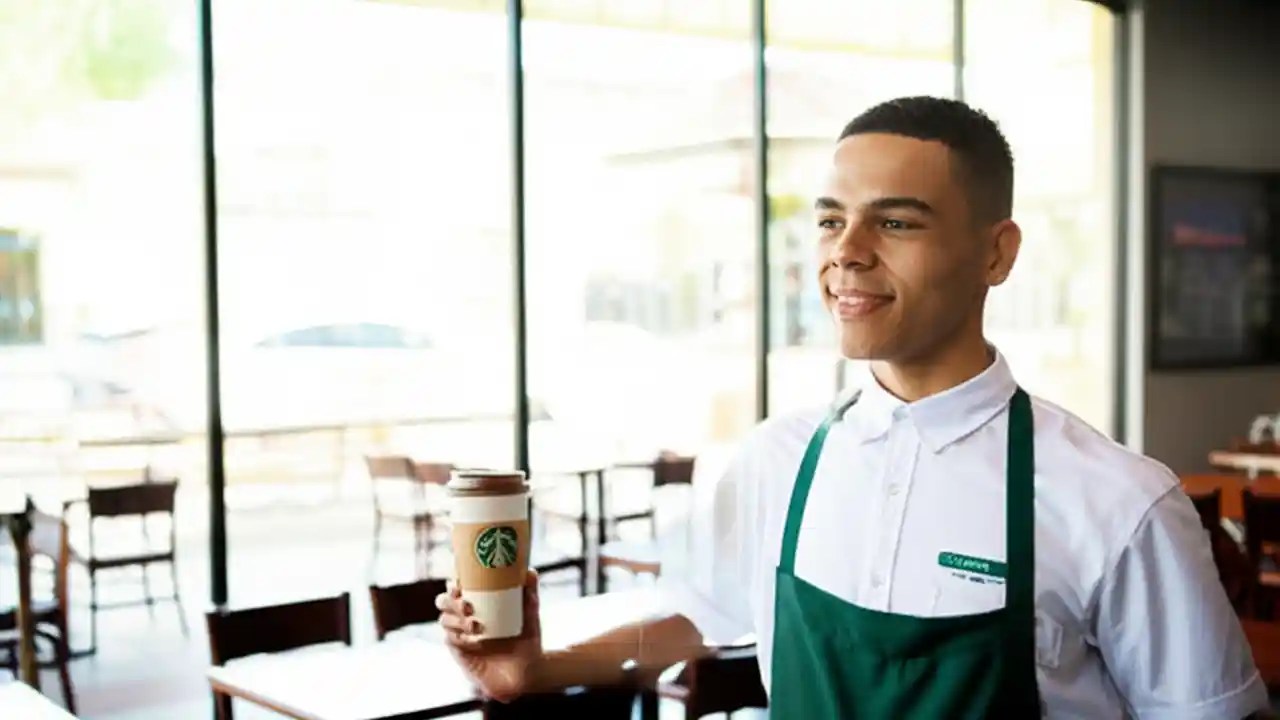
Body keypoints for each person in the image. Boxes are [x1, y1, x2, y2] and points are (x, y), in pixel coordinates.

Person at [437, 96, 1270, 718]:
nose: (846, 252)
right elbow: (700, 617)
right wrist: (532, 670)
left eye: (895, 222)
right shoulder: (777, 459)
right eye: (832, 220)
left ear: (996, 252)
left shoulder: (1121, 501)